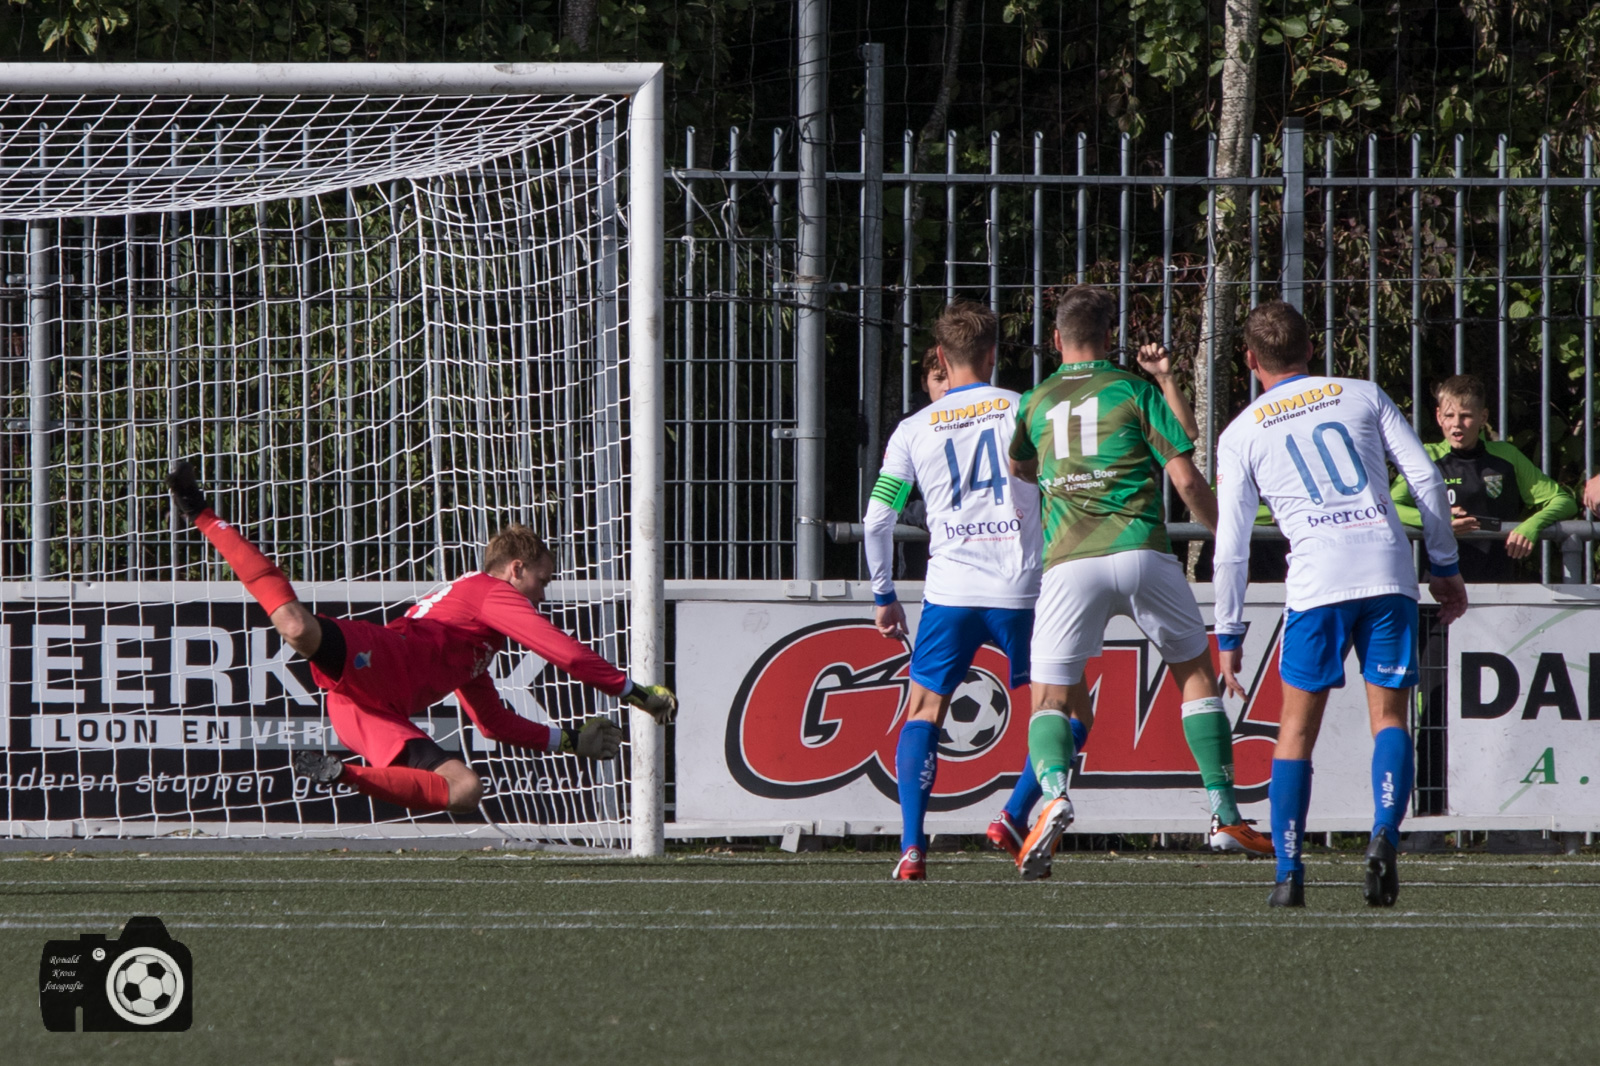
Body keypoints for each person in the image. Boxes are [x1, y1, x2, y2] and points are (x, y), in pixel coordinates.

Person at [166, 462, 677, 815]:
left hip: (367, 713)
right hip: (381, 660)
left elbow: (492, 722)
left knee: (465, 790)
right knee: (297, 627)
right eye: (542, 581)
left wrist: (567, 741)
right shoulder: (488, 592)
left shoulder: (479, 640)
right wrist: (632, 692)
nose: (543, 595)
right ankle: (202, 514)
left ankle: (337, 774)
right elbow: (559, 650)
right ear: (516, 569)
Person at [1007, 285, 1274, 881]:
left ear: (1056, 341)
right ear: (1109, 340)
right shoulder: (1133, 389)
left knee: (1049, 698)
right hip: (1142, 552)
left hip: (1069, 563)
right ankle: (1224, 813)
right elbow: (1186, 480)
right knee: (1196, 676)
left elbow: (1019, 466)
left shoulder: (1034, 400)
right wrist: (1224, 533)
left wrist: (1051, 473)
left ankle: (1052, 795)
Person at [1212, 301, 1467, 909]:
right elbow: (1428, 480)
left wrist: (1228, 632)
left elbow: (1229, 547)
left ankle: (1289, 870)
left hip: (1317, 583)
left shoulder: (1242, 431)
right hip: (1384, 569)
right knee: (1391, 720)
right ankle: (1383, 833)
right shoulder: (1360, 393)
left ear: (1250, 361)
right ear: (1312, 347)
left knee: (1295, 731)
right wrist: (1446, 566)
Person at [864, 301, 1047, 880]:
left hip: (949, 590)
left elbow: (876, 520)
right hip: (1021, 587)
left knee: (923, 710)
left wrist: (883, 595)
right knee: (1063, 710)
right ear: (993, 356)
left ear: (941, 357)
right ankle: (1015, 814)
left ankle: (914, 849)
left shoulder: (915, 429)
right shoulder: (1025, 409)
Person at [1389, 374, 1575, 580]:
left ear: (1483, 417)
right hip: (1438, 587)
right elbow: (1387, 506)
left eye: (1466, 415)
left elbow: (1564, 501)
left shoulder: (1507, 455)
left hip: (1496, 587)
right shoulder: (1425, 457)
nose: (1456, 424)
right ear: (1439, 416)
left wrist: (1532, 525)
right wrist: (1439, 520)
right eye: (1449, 416)